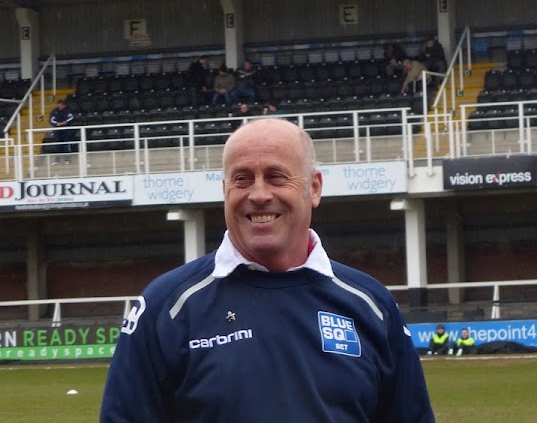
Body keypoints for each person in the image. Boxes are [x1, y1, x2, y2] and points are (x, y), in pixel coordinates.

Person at [100, 119, 434, 422]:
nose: (259, 195)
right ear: (225, 190)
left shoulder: (372, 304)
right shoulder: (165, 306)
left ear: (314, 188)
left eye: (276, 176)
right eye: (242, 179)